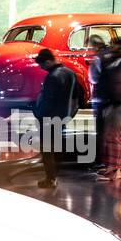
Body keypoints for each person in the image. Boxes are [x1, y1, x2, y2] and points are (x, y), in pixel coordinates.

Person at [31, 48, 77, 189]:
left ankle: (50, 179)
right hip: (63, 116)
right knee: (57, 147)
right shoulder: (70, 73)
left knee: (47, 149)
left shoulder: (53, 77)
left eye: (42, 64)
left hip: (49, 118)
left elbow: (47, 101)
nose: (41, 67)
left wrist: (38, 113)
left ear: (49, 61)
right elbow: (76, 97)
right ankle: (55, 176)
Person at [97, 36, 121, 182]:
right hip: (116, 102)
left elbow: (116, 77)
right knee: (112, 135)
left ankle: (114, 169)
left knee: (113, 136)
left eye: (113, 46)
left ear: (120, 47)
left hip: (119, 102)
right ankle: (114, 165)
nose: (110, 48)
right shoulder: (120, 61)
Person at [86, 34, 108, 171]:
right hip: (116, 99)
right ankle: (114, 162)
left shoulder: (98, 58)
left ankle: (100, 162)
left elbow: (93, 78)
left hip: (101, 98)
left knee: (101, 131)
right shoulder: (113, 55)